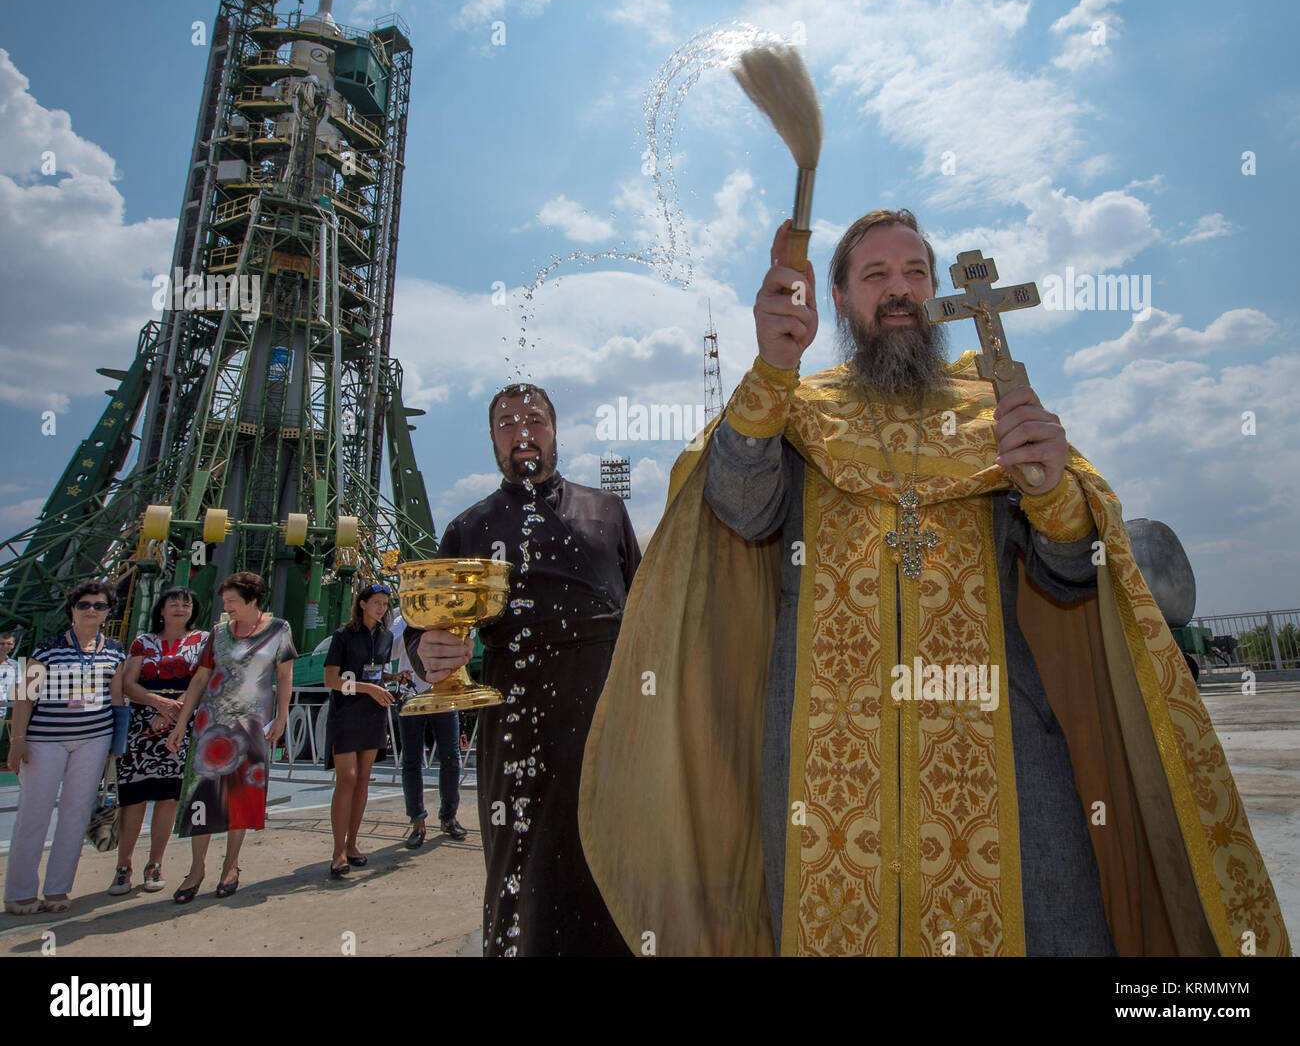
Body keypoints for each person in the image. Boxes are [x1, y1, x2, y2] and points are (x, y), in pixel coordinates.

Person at [578, 212, 1291, 957]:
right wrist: (771, 369)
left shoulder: (999, 413)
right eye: (876, 276)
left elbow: (1075, 577)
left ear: (939, 296)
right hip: (827, 776)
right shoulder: (797, 410)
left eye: (915, 273)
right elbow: (738, 507)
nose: (899, 291)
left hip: (1003, 761)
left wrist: (1054, 498)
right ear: (841, 300)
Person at [409, 383, 641, 956]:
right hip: (514, 708)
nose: (522, 432)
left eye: (533, 419)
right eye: (506, 424)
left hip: (603, 706)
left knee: (610, 848)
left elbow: (644, 608)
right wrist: (427, 648)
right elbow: (427, 622)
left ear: (555, 431)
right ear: (493, 440)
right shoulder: (469, 526)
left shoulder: (607, 509)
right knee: (520, 857)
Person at [166, 571, 295, 902]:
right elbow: (200, 679)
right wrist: (182, 722)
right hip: (210, 725)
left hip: (252, 725)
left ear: (252, 601)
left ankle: (231, 864)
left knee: (241, 797)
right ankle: (196, 869)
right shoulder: (218, 633)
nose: (226, 607)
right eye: (225, 601)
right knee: (202, 797)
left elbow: (284, 676)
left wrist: (282, 716)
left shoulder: (279, 630)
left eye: (232, 601)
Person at [3, 580, 126, 915]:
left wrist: (116, 747)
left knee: (75, 814)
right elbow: (24, 697)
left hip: (94, 739)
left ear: (107, 612)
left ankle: (58, 889)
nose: (91, 610)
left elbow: (116, 700)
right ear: (72, 610)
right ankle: (20, 892)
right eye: (84, 604)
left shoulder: (115, 650)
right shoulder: (48, 647)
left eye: (99, 605)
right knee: (34, 813)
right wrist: (18, 741)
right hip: (46, 741)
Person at [110, 587, 209, 896]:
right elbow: (128, 682)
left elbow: (200, 681)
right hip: (142, 726)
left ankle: (155, 863)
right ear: (161, 610)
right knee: (134, 798)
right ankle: (123, 866)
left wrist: (172, 712)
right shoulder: (143, 641)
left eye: (186, 603)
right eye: (173, 603)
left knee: (168, 798)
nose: (180, 608)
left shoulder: (203, 641)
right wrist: (156, 703)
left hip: (181, 724)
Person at [322, 582, 395, 876]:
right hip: (347, 713)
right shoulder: (343, 635)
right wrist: (366, 688)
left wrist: (394, 676)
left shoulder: (386, 637)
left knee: (364, 779)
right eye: (376, 602)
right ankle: (338, 850)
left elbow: (375, 670)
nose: (382, 607)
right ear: (362, 604)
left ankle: (353, 844)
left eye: (385, 603)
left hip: (372, 713)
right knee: (347, 779)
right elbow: (331, 679)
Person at [389, 612, 467, 848]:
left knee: (451, 757)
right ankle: (417, 821)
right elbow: (390, 651)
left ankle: (449, 816)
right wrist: (412, 623)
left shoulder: (448, 614)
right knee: (412, 760)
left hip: (443, 694)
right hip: (411, 695)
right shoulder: (403, 617)